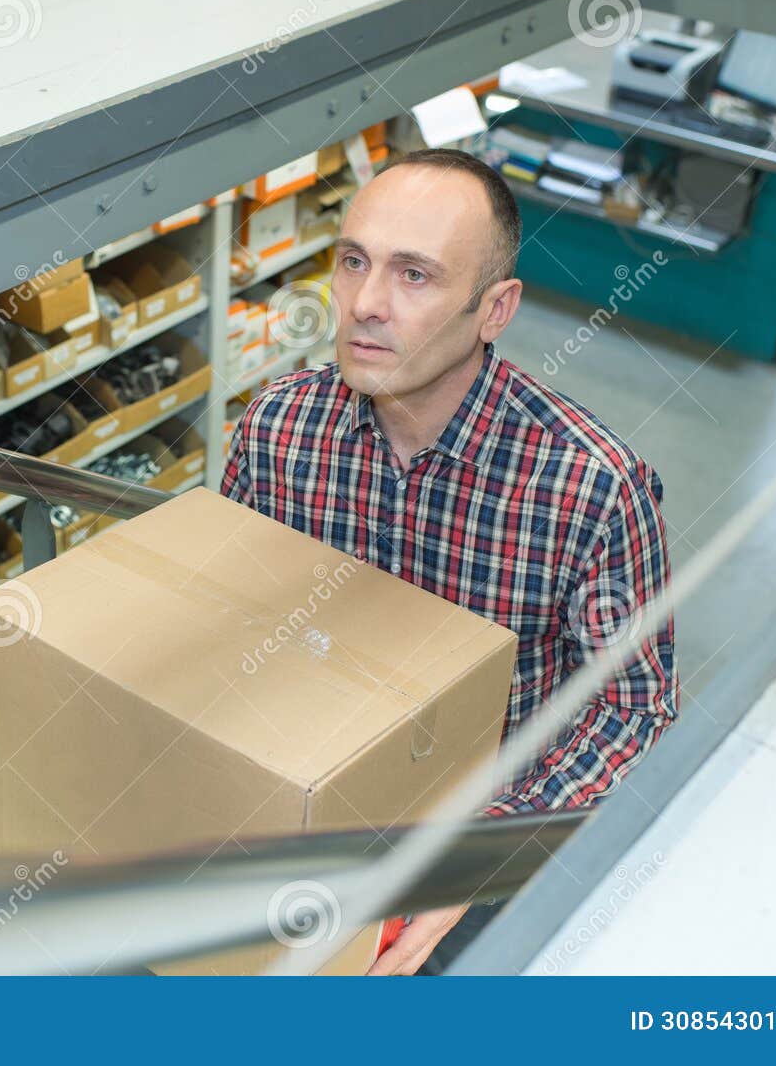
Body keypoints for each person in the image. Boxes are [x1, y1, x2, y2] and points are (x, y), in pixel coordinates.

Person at [219, 148, 677, 975]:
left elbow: (633, 712)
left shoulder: (592, 490)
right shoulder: (278, 430)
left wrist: (483, 853)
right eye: (353, 261)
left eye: (415, 276)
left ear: (494, 309)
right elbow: (235, 612)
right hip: (298, 815)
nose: (365, 303)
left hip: (482, 847)